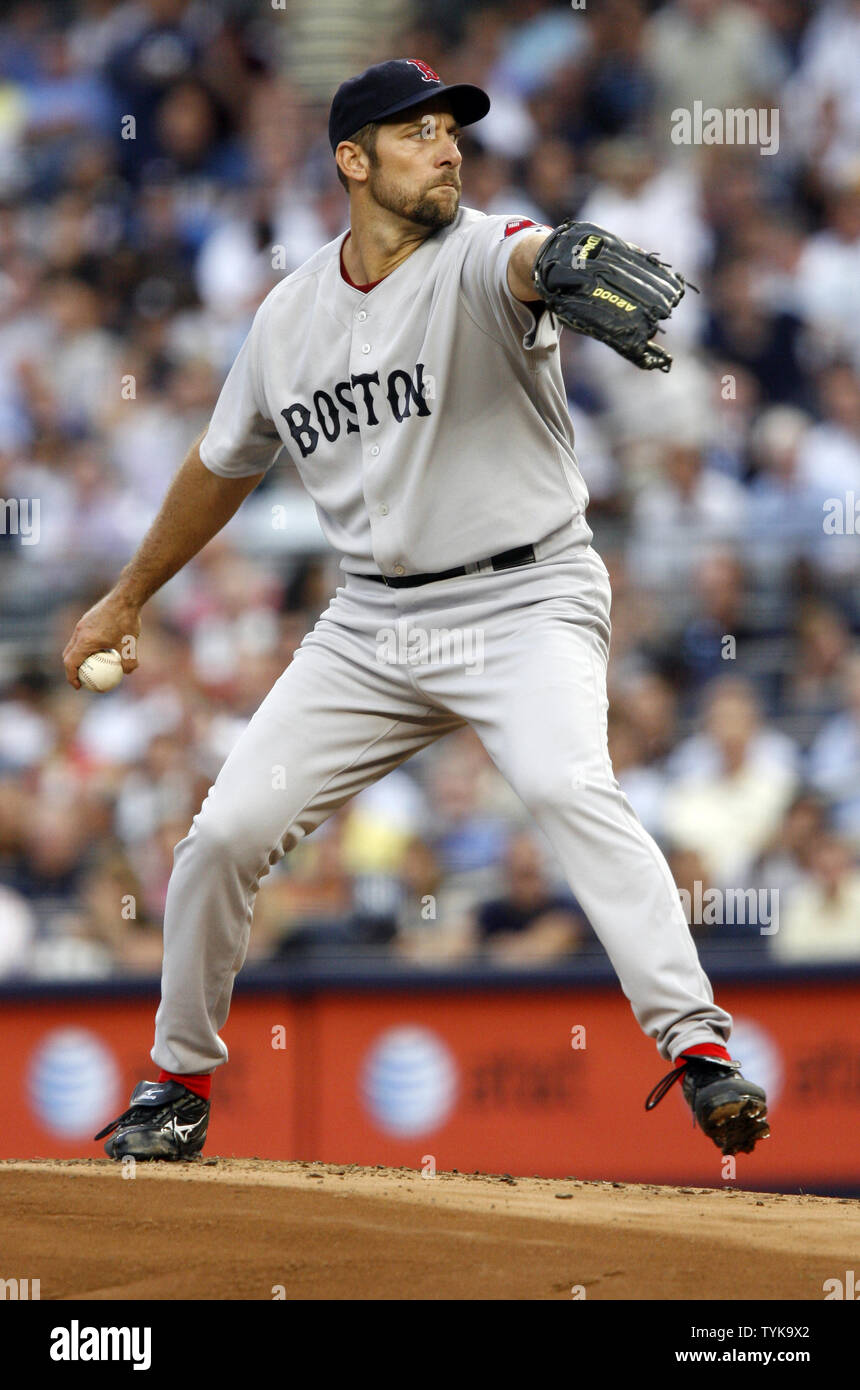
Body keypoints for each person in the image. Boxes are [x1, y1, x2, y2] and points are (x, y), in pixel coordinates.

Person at [64, 59, 769, 1163]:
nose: (444, 148)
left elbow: (536, 256)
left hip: (525, 595)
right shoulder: (286, 318)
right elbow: (219, 466)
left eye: (451, 130)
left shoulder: (480, 256)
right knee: (222, 836)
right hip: (372, 626)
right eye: (414, 133)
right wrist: (127, 594)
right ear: (351, 159)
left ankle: (697, 1050)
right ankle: (177, 1081)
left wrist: (563, 254)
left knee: (565, 785)